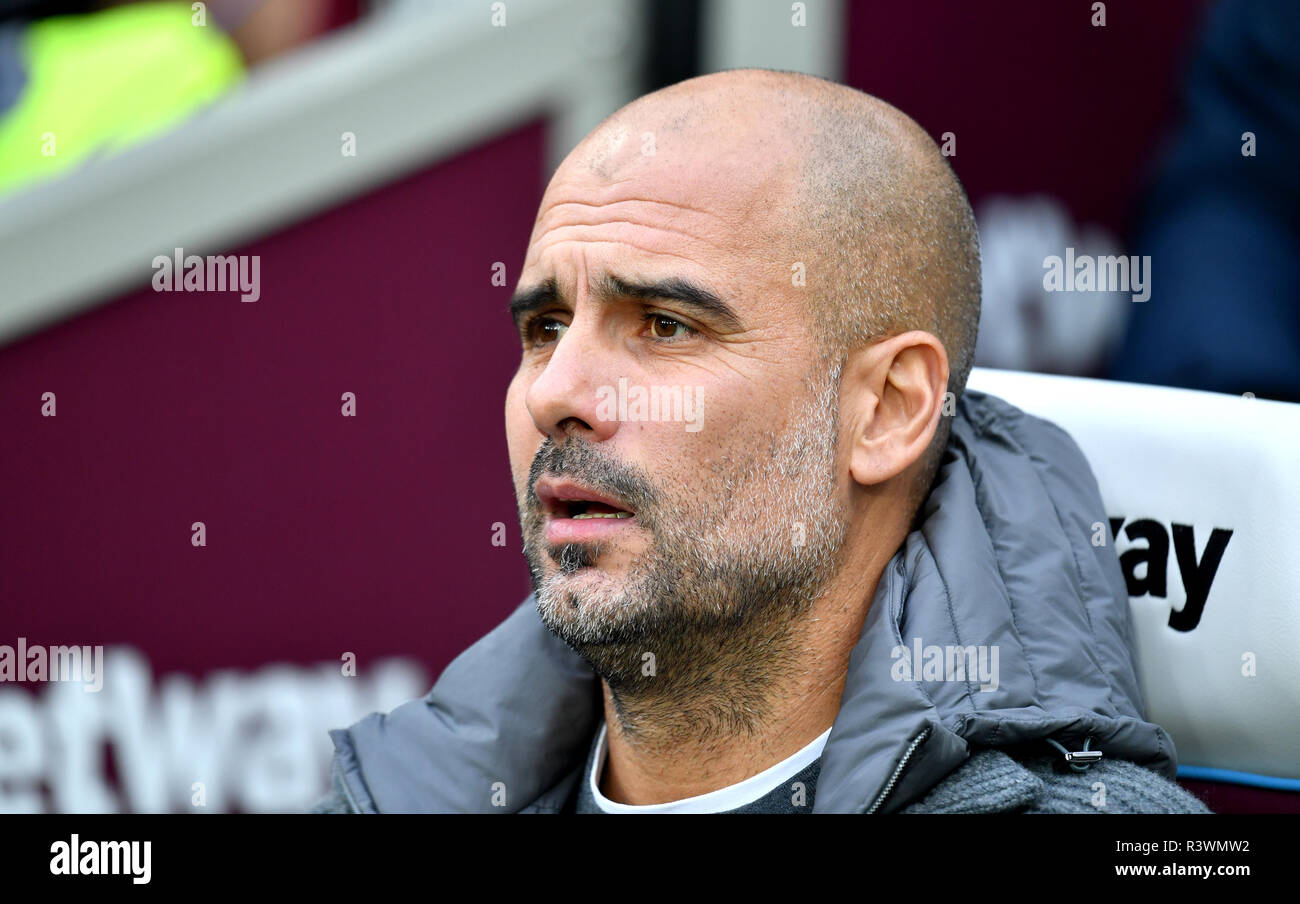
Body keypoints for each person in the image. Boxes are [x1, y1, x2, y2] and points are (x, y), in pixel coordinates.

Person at [313, 69, 1210, 814]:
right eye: (545, 328)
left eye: (663, 325)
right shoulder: (391, 794)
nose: (555, 394)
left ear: (889, 410)